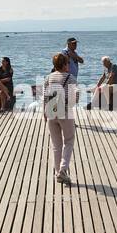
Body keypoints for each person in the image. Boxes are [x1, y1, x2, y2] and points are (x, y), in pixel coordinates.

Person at [43, 52, 76, 184]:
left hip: (50, 111)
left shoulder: (49, 77)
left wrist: (44, 113)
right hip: (65, 112)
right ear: (63, 64)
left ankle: (58, 174)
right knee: (69, 141)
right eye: (67, 63)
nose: (69, 65)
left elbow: (45, 97)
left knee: (56, 145)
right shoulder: (71, 78)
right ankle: (62, 170)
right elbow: (73, 100)